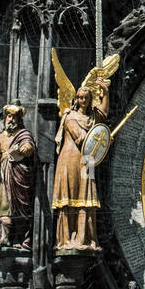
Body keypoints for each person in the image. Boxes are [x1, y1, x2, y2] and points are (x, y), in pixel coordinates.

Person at [53, 80, 107, 251]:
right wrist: (102, 140)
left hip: (87, 161)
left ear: (90, 100)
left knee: (87, 198)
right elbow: (82, 137)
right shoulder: (70, 117)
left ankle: (85, 239)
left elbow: (103, 114)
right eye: (80, 97)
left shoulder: (91, 118)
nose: (83, 100)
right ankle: (67, 239)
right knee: (69, 197)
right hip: (71, 160)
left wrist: (105, 92)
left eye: (86, 98)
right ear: (76, 99)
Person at [0, 104, 37, 250]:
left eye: (14, 117)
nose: (11, 120)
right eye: (9, 116)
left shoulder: (24, 134)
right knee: (5, 206)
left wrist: (27, 148)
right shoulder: (1, 137)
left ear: (19, 119)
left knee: (21, 207)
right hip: (5, 176)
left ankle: (21, 238)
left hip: (20, 176)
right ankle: (5, 238)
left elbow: (29, 146)